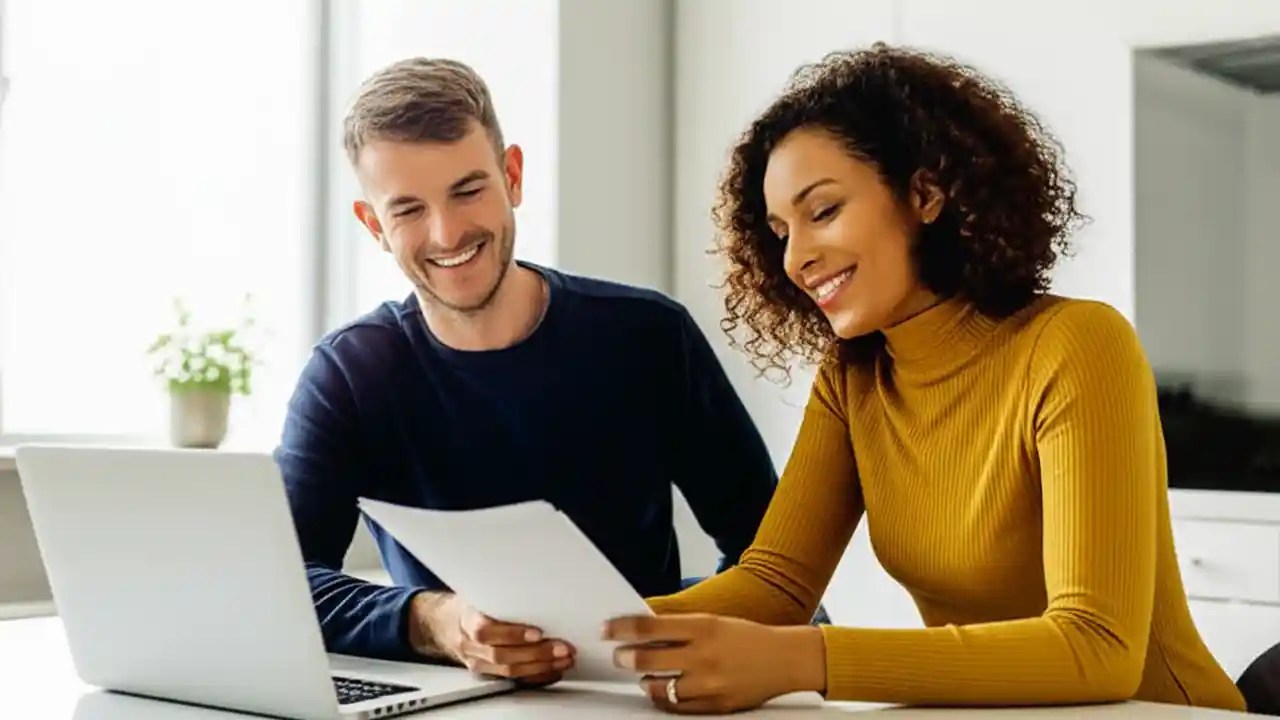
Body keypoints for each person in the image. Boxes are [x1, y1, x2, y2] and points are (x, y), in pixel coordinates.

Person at [603, 44, 1247, 714]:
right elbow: (775, 582)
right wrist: (589, 633)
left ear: (925, 194)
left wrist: (806, 659)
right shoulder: (854, 377)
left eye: (822, 211)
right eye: (779, 231)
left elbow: (1096, 647)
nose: (796, 257)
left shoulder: (1077, 345)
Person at [275, 57, 778, 686]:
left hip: (640, 696)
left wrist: (672, 635)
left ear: (512, 176)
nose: (447, 231)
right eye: (407, 210)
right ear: (373, 225)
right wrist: (436, 622)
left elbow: (775, 558)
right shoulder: (348, 373)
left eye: (468, 190)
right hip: (459, 701)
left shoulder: (646, 336)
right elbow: (281, 581)